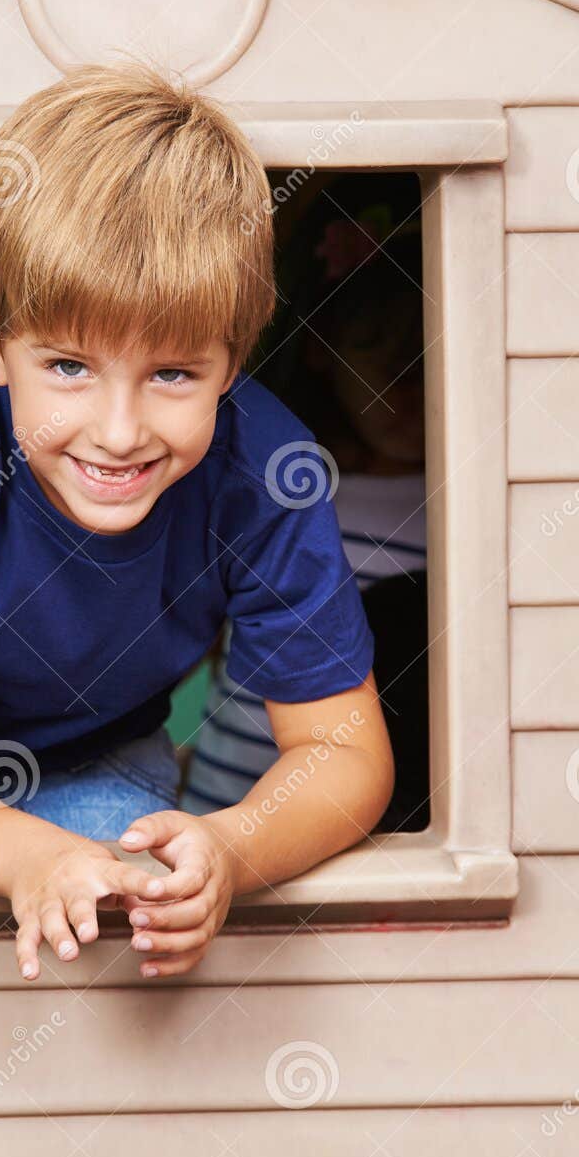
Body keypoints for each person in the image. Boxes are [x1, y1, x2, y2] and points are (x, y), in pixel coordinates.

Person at [0, 60, 394, 984]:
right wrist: (20, 855)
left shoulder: (266, 471)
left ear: (234, 358)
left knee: (124, 899)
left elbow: (344, 753)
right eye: (67, 367)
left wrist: (232, 847)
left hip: (102, 745)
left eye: (173, 375)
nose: (117, 431)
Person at [181, 181, 430, 832]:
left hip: (360, 842)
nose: (408, 373)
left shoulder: (471, 508)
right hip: (210, 822)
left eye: (430, 345)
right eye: (377, 338)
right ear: (322, 350)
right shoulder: (274, 489)